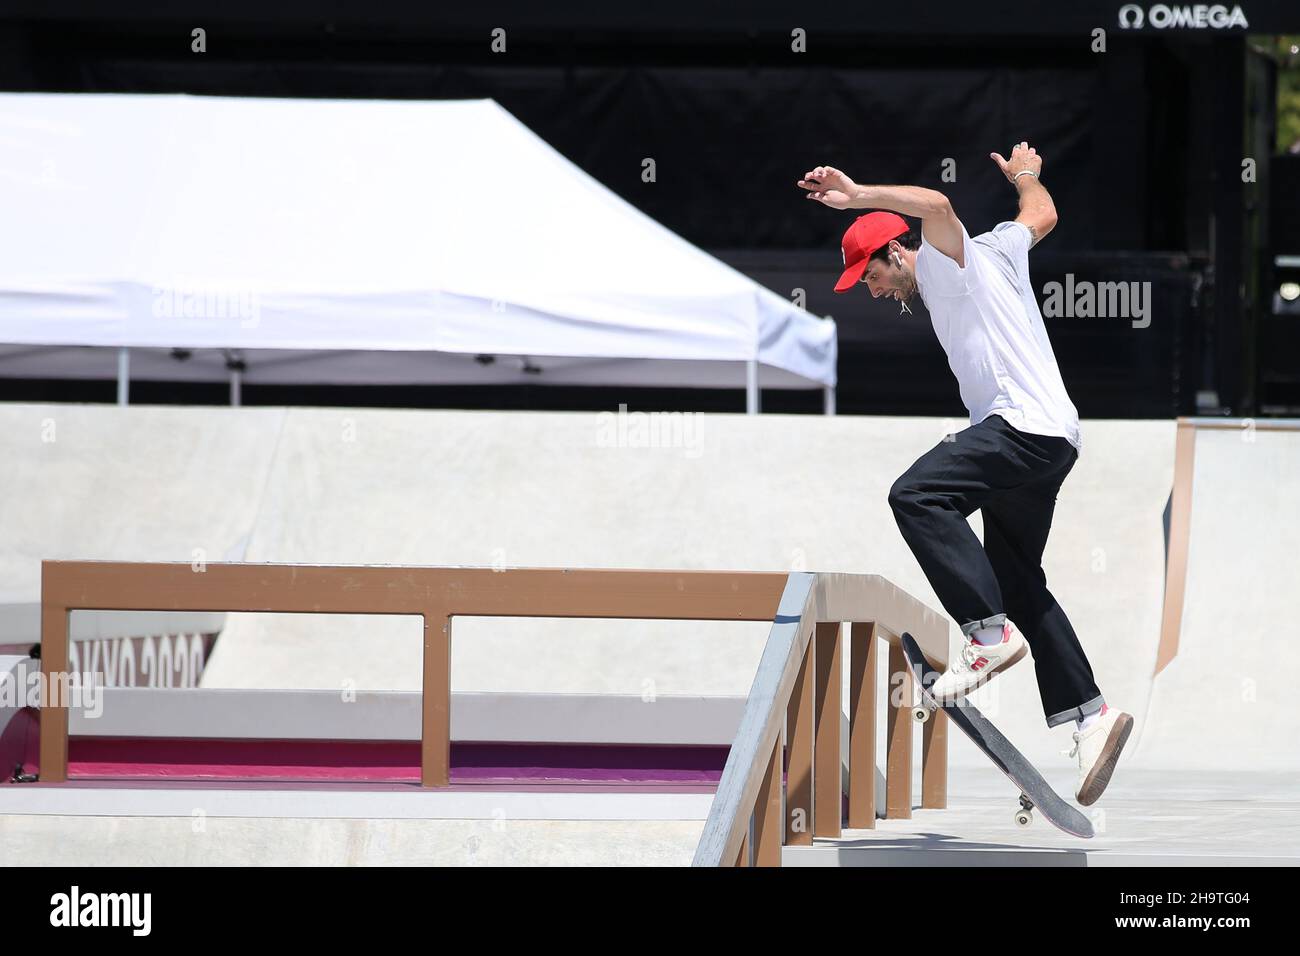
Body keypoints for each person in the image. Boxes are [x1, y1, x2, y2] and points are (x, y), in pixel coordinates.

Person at [797, 144, 1132, 805]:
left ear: (895, 253)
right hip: (1054, 440)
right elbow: (1042, 213)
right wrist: (1027, 178)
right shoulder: (1003, 247)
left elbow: (939, 204)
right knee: (1017, 578)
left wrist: (859, 191)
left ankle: (984, 635)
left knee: (917, 494)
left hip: (1019, 428)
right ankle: (1089, 718)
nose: (871, 290)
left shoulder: (950, 262)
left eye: (870, 276)